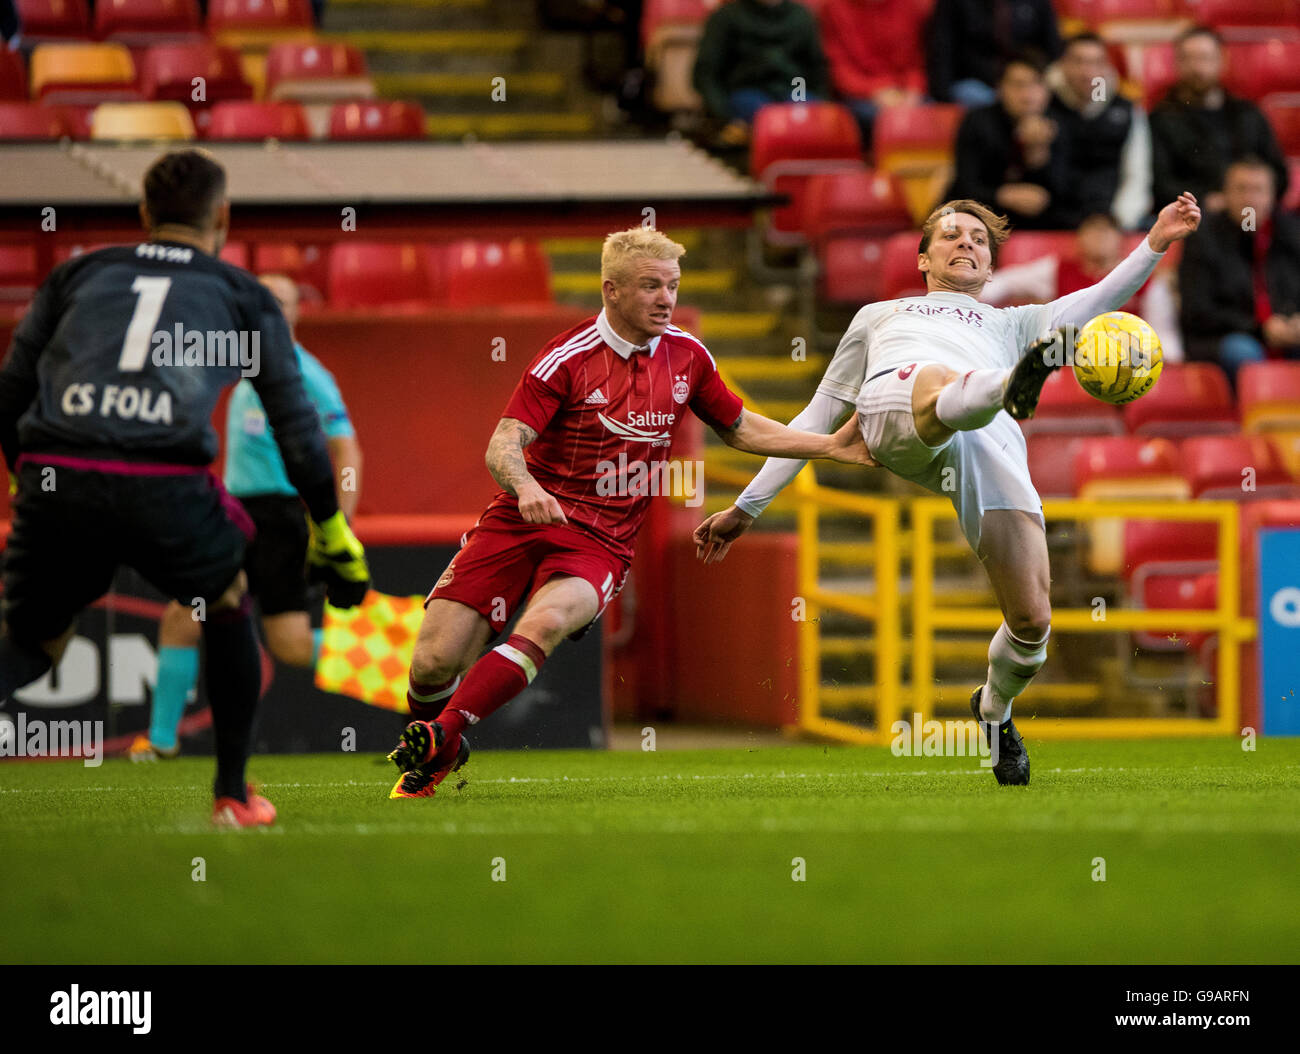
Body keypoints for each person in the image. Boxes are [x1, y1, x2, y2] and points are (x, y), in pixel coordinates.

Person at [695, 193, 1202, 786]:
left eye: (979, 241)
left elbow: (1096, 301)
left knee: (1033, 620)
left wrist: (1156, 242)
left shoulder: (1012, 322)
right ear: (922, 260)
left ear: (990, 268)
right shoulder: (879, 317)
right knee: (939, 380)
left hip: (985, 443)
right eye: (950, 235)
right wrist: (748, 505)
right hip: (893, 408)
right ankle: (1011, 384)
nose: (966, 243)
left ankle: (993, 712)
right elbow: (816, 417)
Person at [383, 226, 875, 799]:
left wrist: (830, 446)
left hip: (601, 542)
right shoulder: (566, 358)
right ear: (611, 290)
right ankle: (433, 740)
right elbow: (503, 443)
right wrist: (525, 487)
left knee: (543, 623)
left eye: (672, 285)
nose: (666, 299)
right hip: (520, 520)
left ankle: (441, 736)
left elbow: (740, 428)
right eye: (650, 286)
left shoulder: (688, 356)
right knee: (431, 664)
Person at [0, 149, 370, 826]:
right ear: (222, 218)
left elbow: (11, 393)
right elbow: (299, 430)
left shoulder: (78, 274)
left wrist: (32, 477)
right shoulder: (241, 296)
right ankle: (232, 796)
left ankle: (170, 745)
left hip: (63, 474)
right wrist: (332, 525)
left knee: (31, 645)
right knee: (224, 600)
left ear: (144, 214)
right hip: (167, 482)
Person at [130, 272, 363, 761]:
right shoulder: (248, 366)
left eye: (280, 300)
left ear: (298, 310)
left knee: (284, 644)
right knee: (194, 619)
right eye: (261, 299)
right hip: (237, 512)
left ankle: (400, 654)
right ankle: (162, 740)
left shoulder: (307, 374)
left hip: (276, 517)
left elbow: (346, 449)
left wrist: (338, 522)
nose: (268, 308)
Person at [981, 212, 1182, 361]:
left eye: (1105, 231)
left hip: (1124, 366)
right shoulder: (1058, 269)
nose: (1099, 237)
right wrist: (970, 298)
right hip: (1066, 362)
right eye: (1092, 231)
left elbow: (1164, 336)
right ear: (1080, 238)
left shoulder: (1145, 281)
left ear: (1119, 239)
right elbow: (1007, 282)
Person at [1178, 157, 1300, 380]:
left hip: (1284, 334)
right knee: (1244, 351)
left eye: (1258, 190)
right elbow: (1197, 311)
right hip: (1222, 338)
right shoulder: (1204, 238)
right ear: (1225, 195)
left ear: (1272, 196)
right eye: (1241, 189)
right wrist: (1261, 328)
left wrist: (1293, 322)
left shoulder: (1290, 233)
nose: (1249, 199)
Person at [1150, 25, 1289, 211]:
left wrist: (1253, 197)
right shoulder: (1161, 119)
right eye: (1188, 59)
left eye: (1204, 58)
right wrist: (1207, 201)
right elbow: (1160, 184)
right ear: (1177, 63)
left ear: (1221, 61)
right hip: (1196, 217)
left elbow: (1278, 175)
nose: (1197, 67)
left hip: (1252, 214)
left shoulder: (1248, 114)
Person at [946, 52, 1080, 230]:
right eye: (1018, 85)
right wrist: (1004, 195)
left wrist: (1038, 154)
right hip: (981, 218)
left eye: (1037, 84)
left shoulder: (1060, 124)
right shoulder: (977, 121)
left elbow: (1065, 191)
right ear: (1000, 88)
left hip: (1039, 223)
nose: (1027, 95)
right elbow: (966, 185)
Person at [1047, 32, 1152, 230]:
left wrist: (1120, 220)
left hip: (1111, 219)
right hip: (1052, 219)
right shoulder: (1043, 105)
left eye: (1095, 63)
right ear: (1063, 65)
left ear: (1106, 68)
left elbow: (1138, 173)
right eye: (1078, 61)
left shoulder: (1126, 109)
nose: (1087, 72)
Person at [692, 0, 830, 146]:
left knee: (803, 118)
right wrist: (724, 114)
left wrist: (822, 103)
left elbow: (817, 68)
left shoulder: (801, 16)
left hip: (796, 88)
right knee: (766, 121)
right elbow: (705, 72)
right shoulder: (726, 16)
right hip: (746, 90)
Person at [820, 0, 927, 146]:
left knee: (933, 117)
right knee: (873, 118)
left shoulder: (907, 6)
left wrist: (913, 91)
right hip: (860, 96)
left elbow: (916, 62)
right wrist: (875, 91)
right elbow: (839, 70)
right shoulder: (835, 8)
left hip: (904, 94)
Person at [927, 0, 1061, 108]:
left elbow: (1052, 48)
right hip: (975, 83)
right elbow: (942, 50)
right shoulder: (955, 3)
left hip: (1026, 81)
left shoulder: (1038, 3)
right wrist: (943, 98)